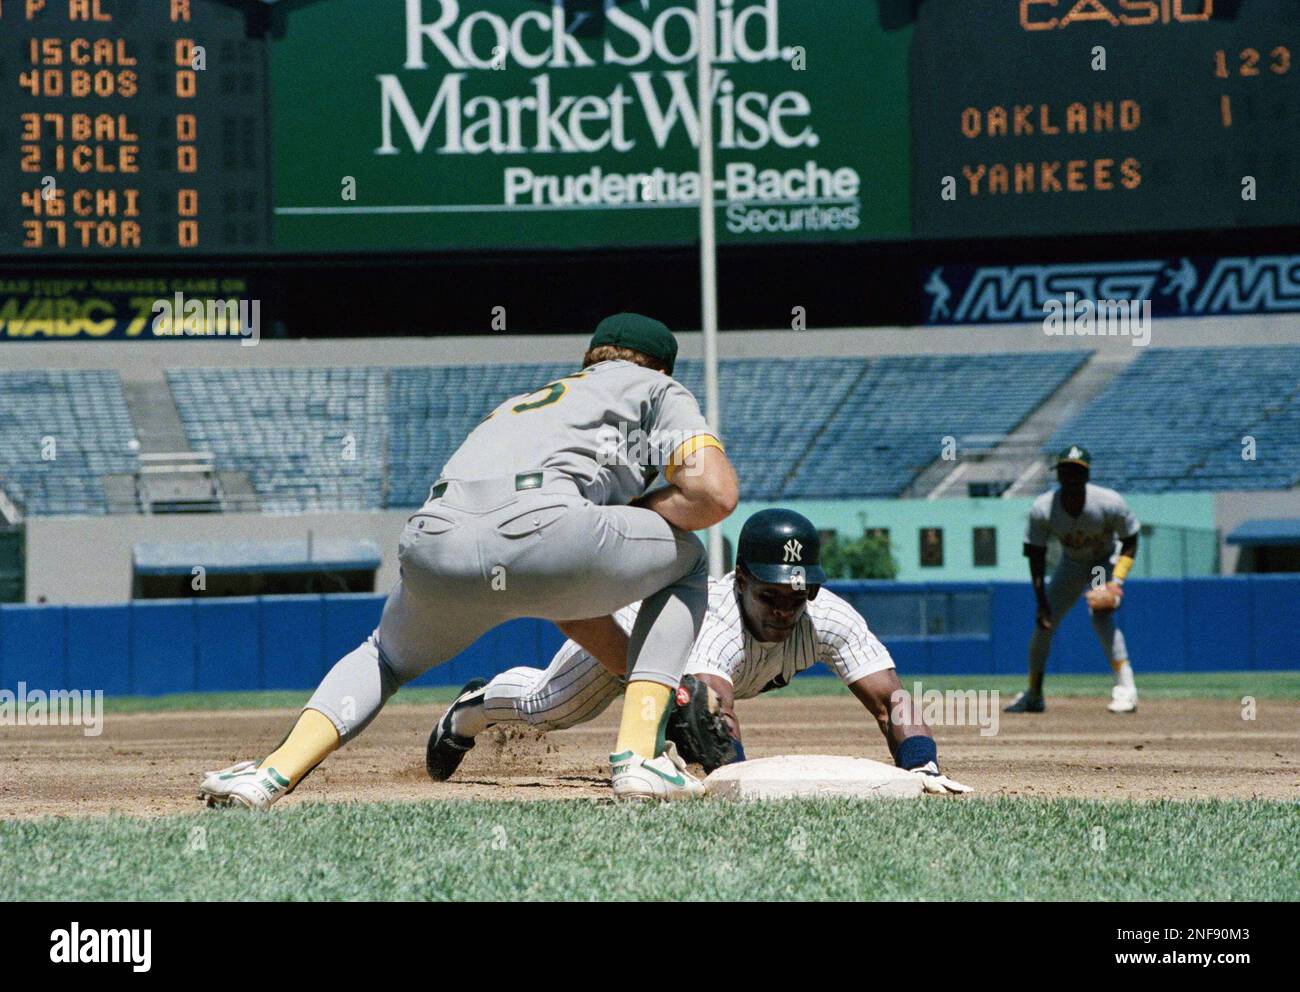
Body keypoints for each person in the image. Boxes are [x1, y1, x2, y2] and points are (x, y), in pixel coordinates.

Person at [198, 313, 739, 807]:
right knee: (686, 558)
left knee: (384, 657)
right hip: (545, 530)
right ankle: (639, 758)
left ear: (589, 358)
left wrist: (670, 688)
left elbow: (569, 606)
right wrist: (641, 517)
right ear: (663, 367)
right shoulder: (657, 388)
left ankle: (267, 775)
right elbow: (714, 495)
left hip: (434, 539)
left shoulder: (522, 403)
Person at [427, 509, 971, 795]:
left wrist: (922, 763)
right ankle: (468, 709)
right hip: (635, 639)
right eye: (771, 595)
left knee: (681, 726)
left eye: (798, 595)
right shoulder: (716, 620)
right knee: (548, 708)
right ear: (740, 580)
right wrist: (729, 781)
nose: (786, 608)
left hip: (686, 680)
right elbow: (716, 715)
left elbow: (891, 701)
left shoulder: (826, 615)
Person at [1005, 445, 1140, 715]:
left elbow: (1130, 540)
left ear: (1087, 475)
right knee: (1044, 623)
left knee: (1100, 614)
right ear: (1058, 475)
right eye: (1066, 471)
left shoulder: (1108, 502)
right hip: (1072, 563)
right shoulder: (1043, 508)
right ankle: (1034, 693)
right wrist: (1041, 601)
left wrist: (1117, 581)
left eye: (1077, 472)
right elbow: (1036, 557)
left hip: (1102, 561)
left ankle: (1126, 689)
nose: (1071, 478)